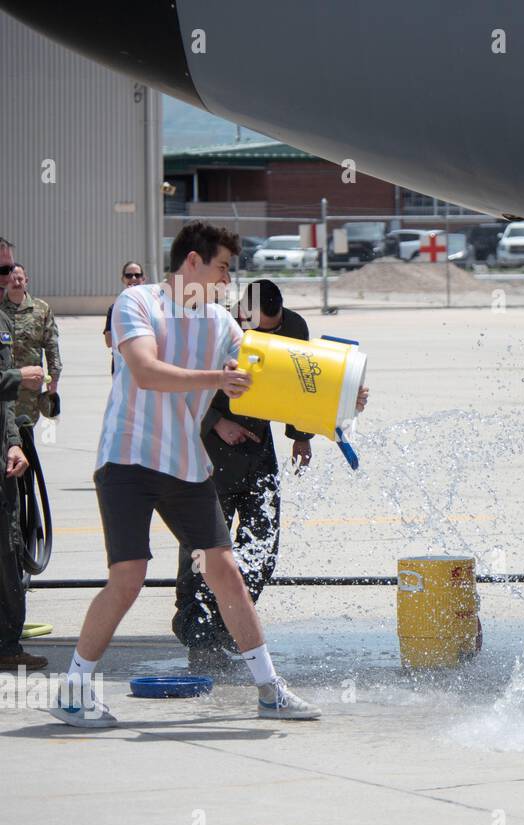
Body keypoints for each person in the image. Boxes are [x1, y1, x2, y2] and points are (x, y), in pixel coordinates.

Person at [50, 220, 320, 726]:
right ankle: (75, 687)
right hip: (127, 460)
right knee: (128, 578)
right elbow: (147, 372)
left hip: (186, 466)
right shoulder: (138, 303)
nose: (227, 281)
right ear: (192, 262)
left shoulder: (220, 321)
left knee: (226, 574)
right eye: (222, 268)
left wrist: (336, 399)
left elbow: (271, 373)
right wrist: (219, 377)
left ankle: (270, 691)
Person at [173, 279, 318, 671]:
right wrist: (218, 423)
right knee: (206, 547)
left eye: (274, 328)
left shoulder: (293, 328)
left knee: (263, 543)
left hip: (258, 445)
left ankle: (228, 624)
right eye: (261, 329)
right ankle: (199, 634)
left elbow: (302, 387)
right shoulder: (214, 331)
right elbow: (182, 389)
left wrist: (301, 436)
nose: (269, 336)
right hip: (211, 446)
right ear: (243, 313)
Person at [0, 237, 42, 672]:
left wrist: (14, 441)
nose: (8, 277)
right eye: (2, 270)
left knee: (10, 550)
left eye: (10, 269)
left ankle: (7, 645)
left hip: (4, 461)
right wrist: (17, 376)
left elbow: (4, 404)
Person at [2, 263, 61, 430]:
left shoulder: (41, 309)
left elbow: (51, 343)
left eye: (20, 278)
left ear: (26, 280)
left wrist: (54, 375)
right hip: (5, 382)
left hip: (30, 386)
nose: (17, 282)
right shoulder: (1, 310)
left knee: (25, 429)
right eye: (13, 278)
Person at [105, 261, 146, 373]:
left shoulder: (151, 306)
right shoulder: (115, 308)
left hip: (146, 365)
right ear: (123, 279)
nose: (133, 278)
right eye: (129, 275)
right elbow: (109, 341)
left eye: (137, 275)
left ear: (143, 279)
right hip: (121, 366)